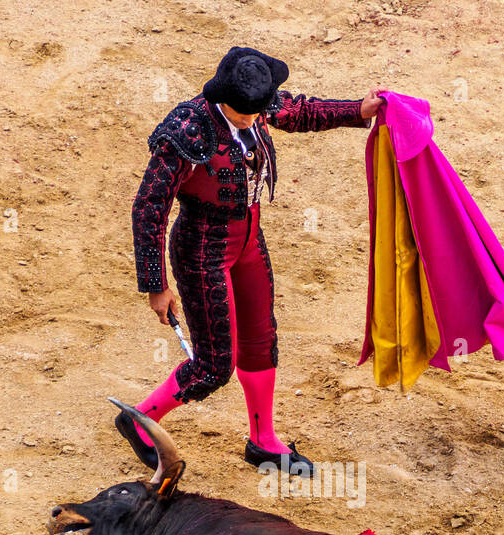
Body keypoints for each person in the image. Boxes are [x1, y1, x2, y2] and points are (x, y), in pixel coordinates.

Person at [123, 46, 384, 475]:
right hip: (200, 250)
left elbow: (301, 112)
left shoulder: (258, 102)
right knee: (212, 367)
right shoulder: (186, 128)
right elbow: (149, 207)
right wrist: (156, 284)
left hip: (247, 241)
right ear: (221, 93)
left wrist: (359, 108)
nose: (250, 119)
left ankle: (263, 441)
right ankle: (140, 420)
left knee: (261, 341)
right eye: (241, 112)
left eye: (255, 112)